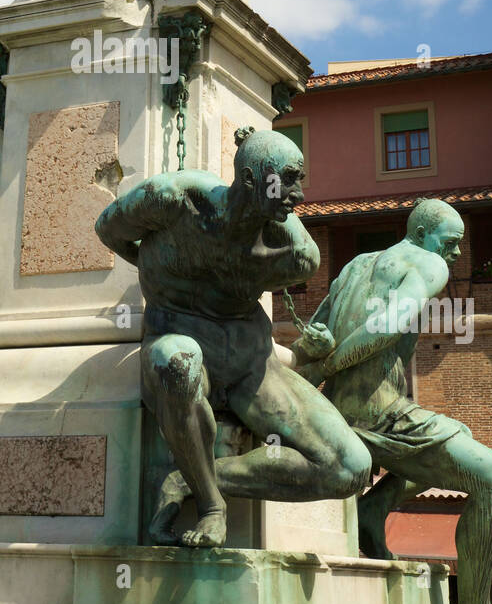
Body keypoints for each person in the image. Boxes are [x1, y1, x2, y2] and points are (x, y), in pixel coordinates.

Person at [94, 126, 372, 548]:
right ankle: (211, 506)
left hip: (250, 364)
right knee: (179, 359)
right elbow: (108, 229)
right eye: (290, 179)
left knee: (349, 467)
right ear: (249, 181)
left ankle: (191, 477)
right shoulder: (170, 200)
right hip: (176, 340)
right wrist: (150, 263)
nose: (299, 194)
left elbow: (300, 255)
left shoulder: (293, 254)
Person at [295, 198, 492, 604]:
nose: (456, 255)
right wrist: (336, 360)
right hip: (380, 415)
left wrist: (308, 397)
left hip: (341, 413)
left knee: (457, 428)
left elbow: (310, 338)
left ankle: (373, 510)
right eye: (451, 242)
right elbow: (388, 324)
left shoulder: (354, 266)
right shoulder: (425, 262)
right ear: (424, 232)